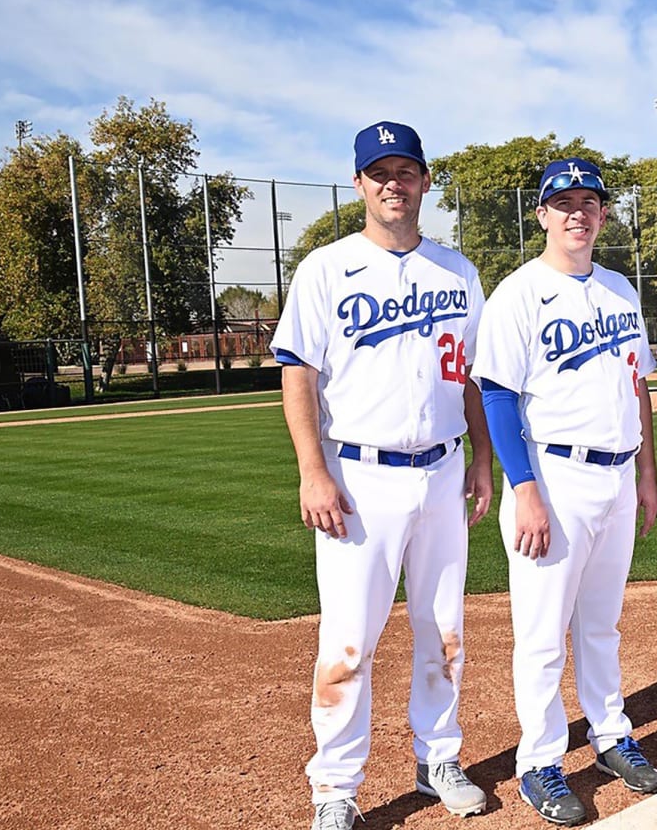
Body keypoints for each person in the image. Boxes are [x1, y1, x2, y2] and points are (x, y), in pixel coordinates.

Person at [270, 121, 494, 830]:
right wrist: (313, 470)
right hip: (358, 476)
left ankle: (438, 759)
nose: (393, 184)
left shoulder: (457, 272)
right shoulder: (325, 267)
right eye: (380, 173)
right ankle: (335, 787)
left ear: (425, 182)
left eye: (406, 171)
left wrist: (481, 460)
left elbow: (474, 380)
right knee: (348, 639)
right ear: (361, 184)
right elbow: (298, 371)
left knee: (443, 628)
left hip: (442, 470)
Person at [473, 158, 657, 826]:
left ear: (603, 214)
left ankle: (610, 735)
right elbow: (497, 394)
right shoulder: (518, 293)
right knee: (542, 634)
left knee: (601, 625)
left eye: (588, 202)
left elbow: (638, 384)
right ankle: (540, 761)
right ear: (542, 216)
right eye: (563, 203)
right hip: (552, 478)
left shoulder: (618, 289)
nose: (576, 213)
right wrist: (523, 489)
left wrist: (645, 473)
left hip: (616, 475)